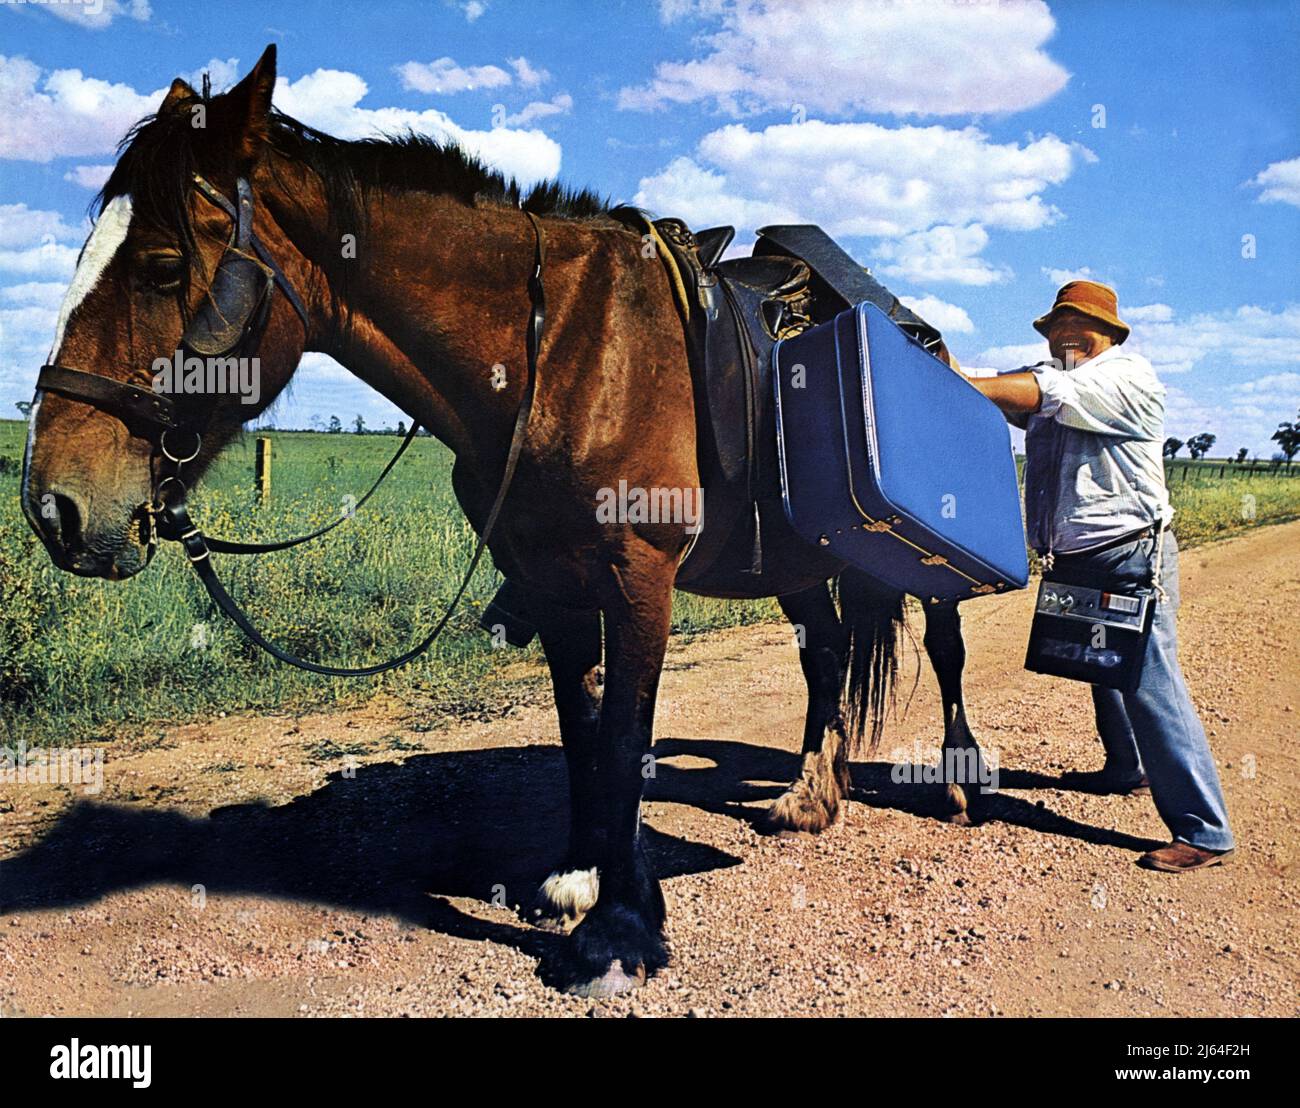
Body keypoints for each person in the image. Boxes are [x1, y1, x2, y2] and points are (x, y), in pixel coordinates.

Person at [964, 280, 1235, 872]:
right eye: (1055, 323)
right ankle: (1126, 768)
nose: (1063, 332)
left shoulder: (1124, 377)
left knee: (1150, 684)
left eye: (1078, 323)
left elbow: (1042, 392)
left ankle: (1205, 830)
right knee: (1104, 667)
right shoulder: (1061, 379)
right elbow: (1015, 392)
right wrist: (947, 366)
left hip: (1130, 552)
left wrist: (961, 382)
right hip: (1081, 555)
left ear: (1111, 333)